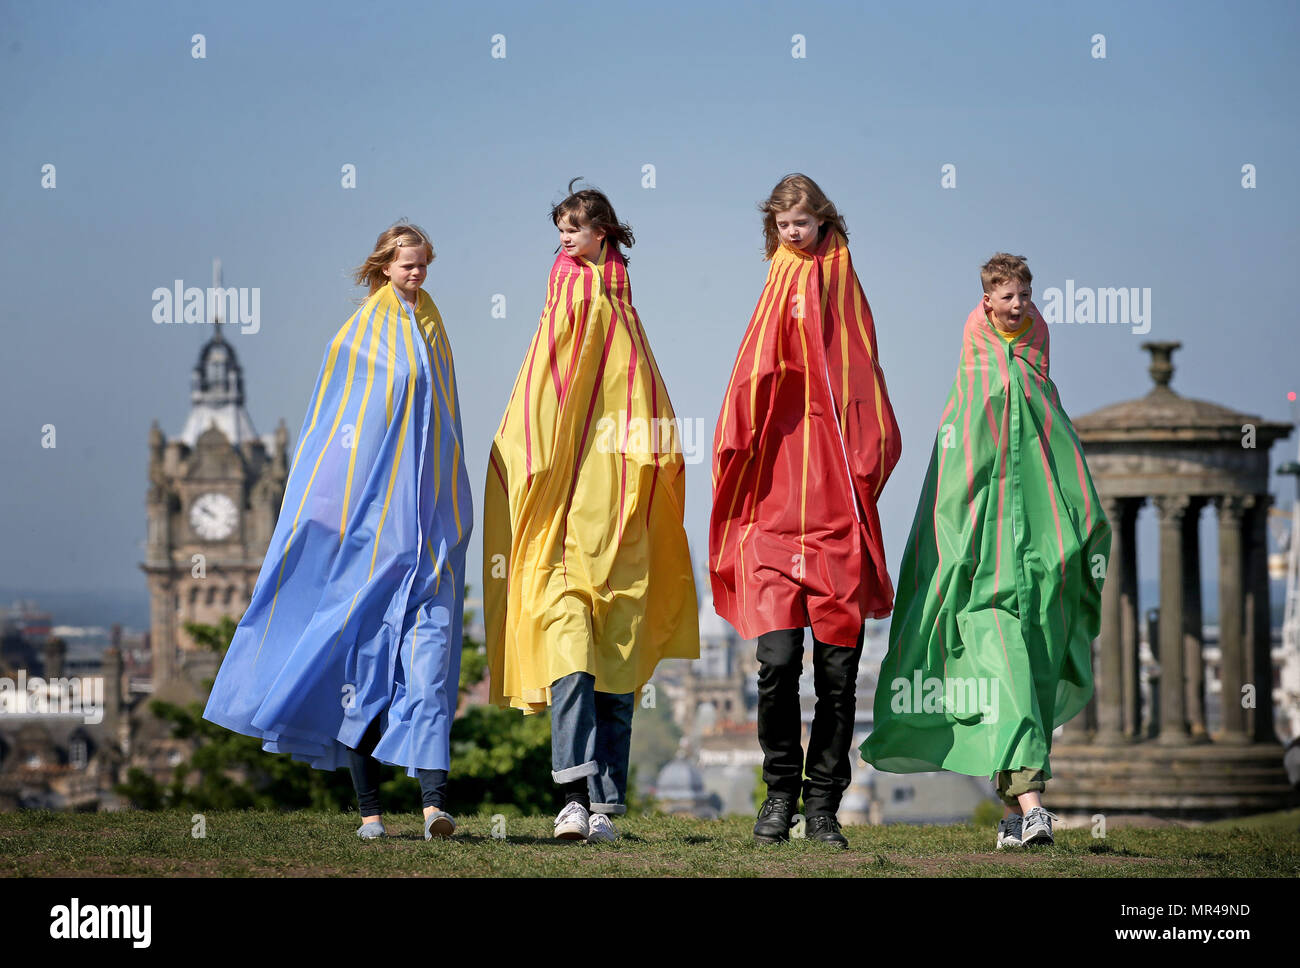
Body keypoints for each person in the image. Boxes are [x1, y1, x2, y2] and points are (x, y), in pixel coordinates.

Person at [203, 222, 473, 841]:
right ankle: (371, 812)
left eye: (425, 265)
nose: (418, 275)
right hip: (370, 543)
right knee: (362, 674)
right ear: (384, 265)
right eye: (409, 265)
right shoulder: (360, 341)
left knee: (429, 670)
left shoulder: (434, 330)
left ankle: (435, 806)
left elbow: (444, 423)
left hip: (427, 541)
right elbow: (337, 433)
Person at [859, 253, 1110, 848]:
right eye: (1006, 296)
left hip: (1032, 559)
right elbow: (964, 455)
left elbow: (1048, 434)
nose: (1017, 305)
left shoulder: (1035, 359)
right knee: (1006, 674)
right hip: (980, 573)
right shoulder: (977, 365)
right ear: (987, 299)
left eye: (1025, 294)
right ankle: (1034, 805)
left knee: (1017, 680)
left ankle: (1017, 815)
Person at [483, 179, 699, 843]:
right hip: (566, 524)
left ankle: (603, 806)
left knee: (617, 666)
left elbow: (646, 403)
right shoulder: (567, 296)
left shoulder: (623, 305)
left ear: (601, 229)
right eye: (559, 232)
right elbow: (541, 394)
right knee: (571, 652)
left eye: (573, 228)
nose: (564, 240)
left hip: (621, 521)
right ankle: (571, 798)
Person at [710, 174, 901, 848]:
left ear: (823, 219)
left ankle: (824, 805)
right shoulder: (776, 282)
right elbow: (748, 379)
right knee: (776, 663)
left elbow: (864, 375)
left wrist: (863, 469)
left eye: (803, 223)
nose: (794, 234)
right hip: (773, 508)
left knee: (840, 675)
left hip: (835, 512)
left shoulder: (845, 283)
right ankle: (779, 796)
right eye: (783, 224)